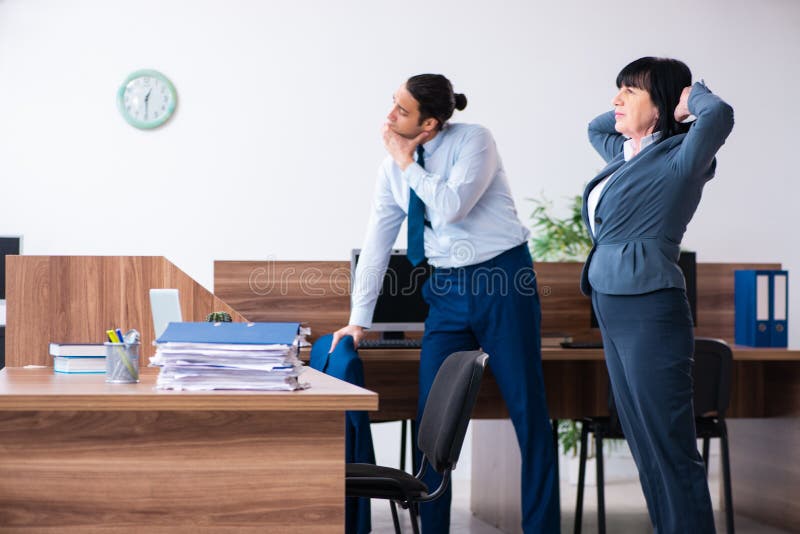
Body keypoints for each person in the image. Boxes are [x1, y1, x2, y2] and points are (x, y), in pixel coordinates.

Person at [330, 74, 560, 533]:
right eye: (392, 104)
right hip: (447, 290)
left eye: (401, 110)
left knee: (528, 414)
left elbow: (452, 204)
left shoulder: (475, 140)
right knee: (433, 420)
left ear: (430, 123)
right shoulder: (389, 169)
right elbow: (378, 242)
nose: (389, 115)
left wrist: (405, 162)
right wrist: (359, 321)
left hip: (502, 280)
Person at [581, 57, 734, 533]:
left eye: (629, 91)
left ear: (663, 103)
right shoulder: (624, 154)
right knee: (643, 443)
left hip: (649, 304)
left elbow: (721, 114)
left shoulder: (683, 157)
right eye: (618, 89)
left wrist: (689, 98)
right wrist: (641, 106)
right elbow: (595, 124)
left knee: (670, 446)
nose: (615, 101)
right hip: (610, 298)